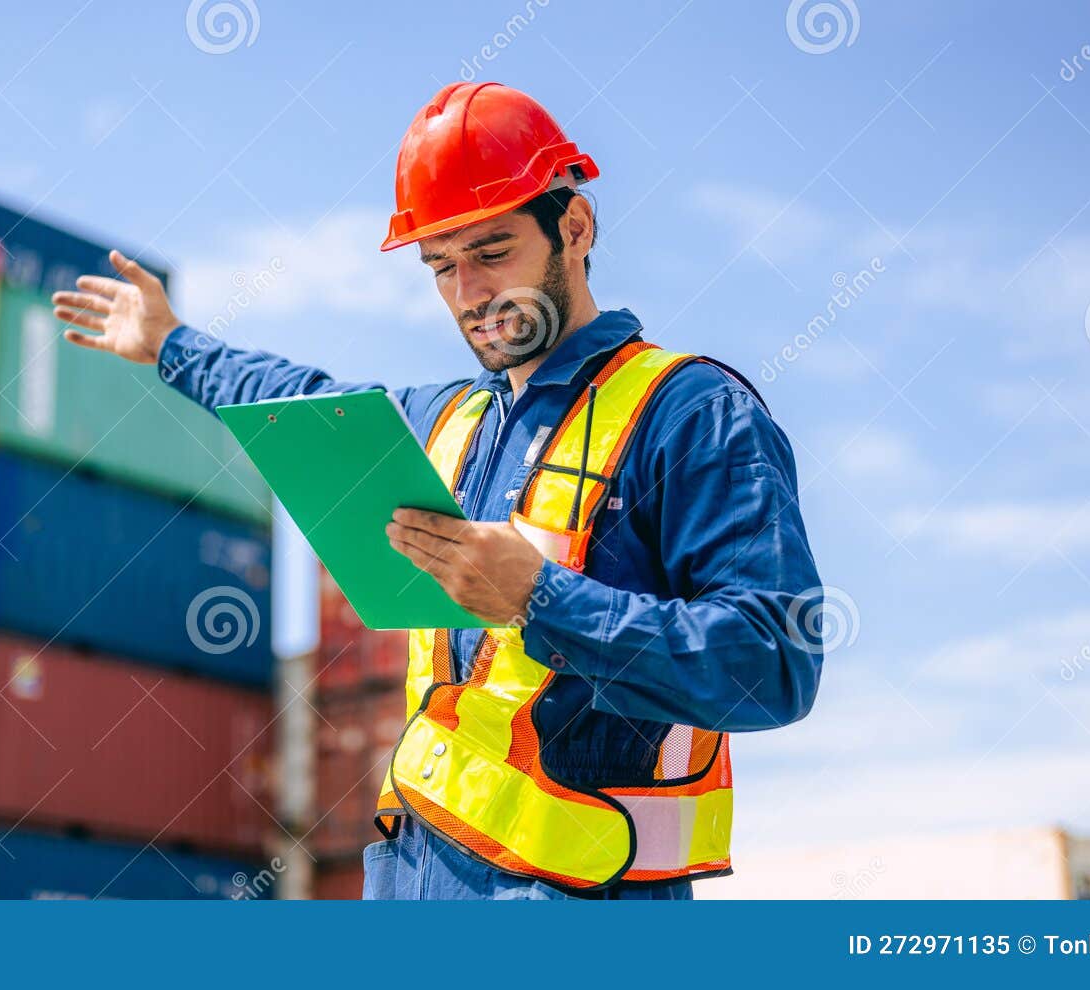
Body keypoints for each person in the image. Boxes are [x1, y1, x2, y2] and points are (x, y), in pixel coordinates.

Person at [54, 82, 823, 901]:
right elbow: (294, 396)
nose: (468, 295)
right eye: (441, 266)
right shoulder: (448, 422)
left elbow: (776, 661)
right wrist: (171, 344)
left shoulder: (692, 414)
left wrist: (540, 596)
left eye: (492, 253)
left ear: (575, 227)